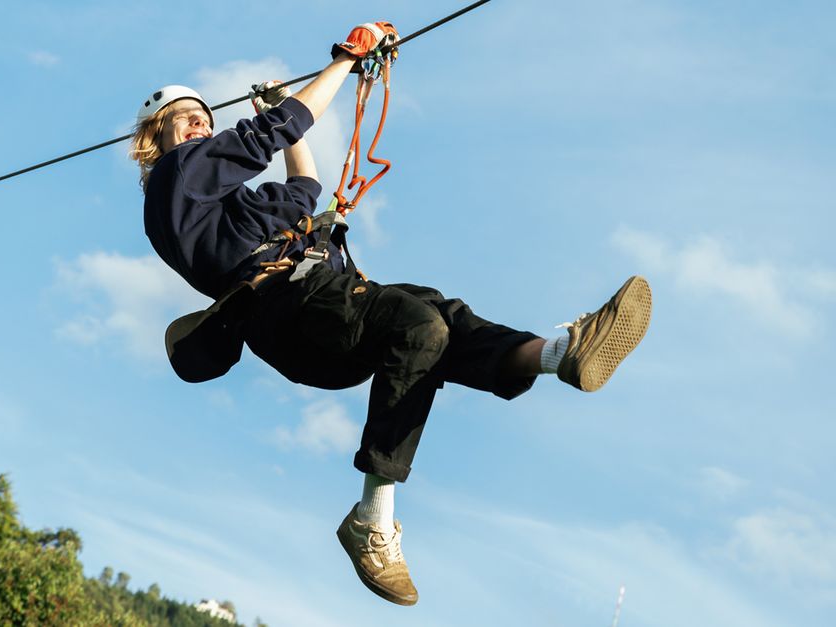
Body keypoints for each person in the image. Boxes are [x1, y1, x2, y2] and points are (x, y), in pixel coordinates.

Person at [130, 22, 652, 607]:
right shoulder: (176, 179)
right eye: (186, 117)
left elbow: (304, 187)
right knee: (416, 325)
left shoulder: (229, 205)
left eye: (204, 114)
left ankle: (558, 355)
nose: (201, 122)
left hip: (318, 300)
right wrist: (344, 62)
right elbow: (272, 134)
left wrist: (280, 106)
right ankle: (372, 521)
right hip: (286, 307)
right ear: (158, 136)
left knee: (437, 313)